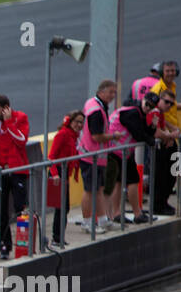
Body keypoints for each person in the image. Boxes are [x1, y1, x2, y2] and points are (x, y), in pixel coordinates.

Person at [0, 94, 30, 258]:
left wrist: (9, 122)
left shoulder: (20, 118)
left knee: (20, 208)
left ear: (6, 108)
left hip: (17, 171)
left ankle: (24, 243)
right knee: (0, 211)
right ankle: (5, 245)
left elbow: (22, 140)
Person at [79, 81, 124, 229]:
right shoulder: (96, 110)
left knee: (97, 190)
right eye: (111, 92)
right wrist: (113, 136)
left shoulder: (93, 104)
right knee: (90, 190)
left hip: (95, 156)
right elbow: (97, 137)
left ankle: (103, 220)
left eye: (114, 92)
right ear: (102, 92)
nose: (113, 96)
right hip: (91, 156)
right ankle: (87, 223)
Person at [113, 92, 157, 222]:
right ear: (143, 100)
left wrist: (154, 123)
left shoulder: (138, 113)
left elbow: (145, 132)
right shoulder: (132, 113)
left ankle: (118, 214)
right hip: (118, 151)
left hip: (121, 151)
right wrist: (152, 142)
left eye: (151, 107)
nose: (148, 108)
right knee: (131, 180)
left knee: (120, 182)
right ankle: (135, 214)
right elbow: (138, 134)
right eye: (147, 104)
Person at [47, 110, 84, 245]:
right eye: (76, 122)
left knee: (64, 207)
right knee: (61, 207)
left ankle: (58, 237)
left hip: (64, 173)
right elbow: (51, 156)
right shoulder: (63, 134)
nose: (79, 125)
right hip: (57, 173)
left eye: (81, 122)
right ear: (69, 121)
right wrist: (55, 174)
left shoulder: (75, 136)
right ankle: (57, 238)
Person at [149, 91, 181, 214]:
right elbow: (157, 132)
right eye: (166, 102)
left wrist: (172, 133)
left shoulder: (162, 114)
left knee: (174, 174)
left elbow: (166, 128)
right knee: (161, 178)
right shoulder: (155, 112)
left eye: (171, 104)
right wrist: (169, 136)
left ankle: (164, 202)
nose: (168, 105)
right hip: (160, 149)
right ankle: (158, 205)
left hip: (169, 147)